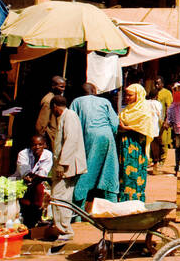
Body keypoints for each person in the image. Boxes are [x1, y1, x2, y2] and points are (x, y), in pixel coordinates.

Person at [71, 84, 120, 205]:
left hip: (89, 136)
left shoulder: (76, 102)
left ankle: (78, 210)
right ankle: (111, 203)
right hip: (107, 135)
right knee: (110, 168)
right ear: (95, 91)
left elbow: (71, 122)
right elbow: (114, 123)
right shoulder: (104, 101)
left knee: (87, 168)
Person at [48, 96, 86, 242]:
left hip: (67, 166)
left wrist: (62, 164)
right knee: (64, 198)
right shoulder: (68, 116)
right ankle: (64, 228)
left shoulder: (69, 116)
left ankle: (64, 230)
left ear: (56, 106)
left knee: (58, 197)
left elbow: (70, 140)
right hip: (68, 165)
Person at [13, 133, 53, 229]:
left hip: (37, 182)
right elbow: (24, 172)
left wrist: (34, 177)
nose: (37, 147)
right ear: (30, 146)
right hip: (21, 181)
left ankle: (38, 217)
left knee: (40, 189)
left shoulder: (48, 155)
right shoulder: (23, 154)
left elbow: (43, 173)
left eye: (40, 144)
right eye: (34, 145)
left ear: (45, 145)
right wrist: (29, 177)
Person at [36, 75, 66, 146]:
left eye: (64, 87)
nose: (63, 89)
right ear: (53, 86)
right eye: (61, 86)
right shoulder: (48, 101)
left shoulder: (56, 98)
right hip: (50, 138)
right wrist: (43, 141)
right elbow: (41, 125)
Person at [152, 78, 173, 173]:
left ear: (163, 84)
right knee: (155, 141)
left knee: (163, 141)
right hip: (154, 122)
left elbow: (169, 107)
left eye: (158, 84)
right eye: (155, 84)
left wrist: (166, 121)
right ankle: (155, 160)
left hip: (163, 121)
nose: (156, 85)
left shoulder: (167, 93)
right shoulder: (154, 92)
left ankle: (163, 160)